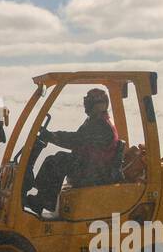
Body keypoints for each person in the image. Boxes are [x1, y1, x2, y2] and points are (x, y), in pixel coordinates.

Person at [27, 88, 119, 216]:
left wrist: (52, 136)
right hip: (91, 166)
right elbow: (78, 138)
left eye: (89, 103)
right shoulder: (95, 121)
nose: (87, 106)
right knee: (58, 158)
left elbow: (76, 140)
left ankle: (45, 200)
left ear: (100, 104)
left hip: (95, 171)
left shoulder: (101, 125)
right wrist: (52, 136)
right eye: (87, 103)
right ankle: (43, 198)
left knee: (57, 161)